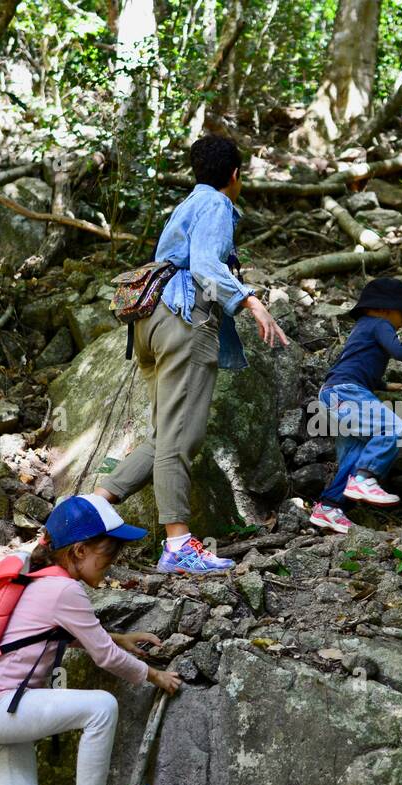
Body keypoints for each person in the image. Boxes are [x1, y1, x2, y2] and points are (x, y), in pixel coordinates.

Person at [94, 134, 290, 574]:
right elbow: (204, 265)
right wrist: (251, 300)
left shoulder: (186, 205)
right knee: (181, 439)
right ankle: (178, 544)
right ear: (235, 175)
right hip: (185, 320)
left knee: (169, 435)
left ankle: (97, 503)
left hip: (147, 323)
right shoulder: (218, 205)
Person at [0, 493, 182, 785]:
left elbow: (53, 636)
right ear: (79, 551)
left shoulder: (40, 581)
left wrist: (118, 637)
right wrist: (154, 675)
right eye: (107, 554)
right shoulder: (64, 590)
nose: (113, 562)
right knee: (101, 708)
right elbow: (102, 656)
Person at [310, 277, 402, 533]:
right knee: (392, 428)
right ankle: (365, 478)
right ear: (384, 308)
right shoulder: (380, 324)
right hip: (347, 392)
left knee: (355, 454)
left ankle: (329, 507)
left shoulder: (363, 327)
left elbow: (354, 363)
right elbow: (399, 352)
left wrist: (381, 385)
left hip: (333, 394)